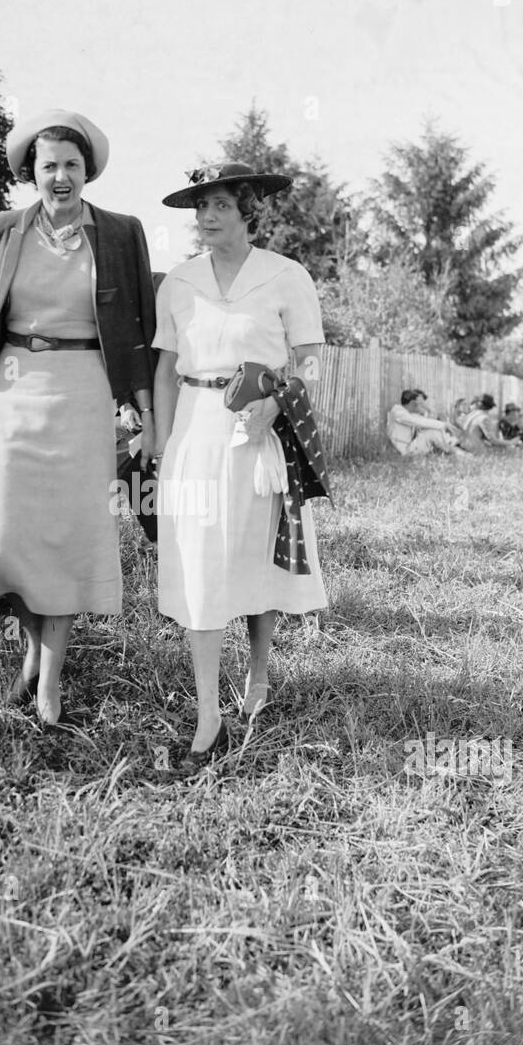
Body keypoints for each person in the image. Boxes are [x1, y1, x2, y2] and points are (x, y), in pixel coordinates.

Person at [0, 109, 156, 726]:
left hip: (84, 395)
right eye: (48, 167)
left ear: (87, 171)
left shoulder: (119, 233)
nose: (60, 177)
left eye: (71, 165)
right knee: (16, 535)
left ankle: (50, 682)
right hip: (13, 393)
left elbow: (139, 325)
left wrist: (144, 413)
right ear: (29, 173)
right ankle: (30, 655)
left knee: (66, 535)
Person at [152, 160, 329, 766]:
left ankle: (257, 675)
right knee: (199, 563)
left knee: (254, 551)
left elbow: (308, 357)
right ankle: (208, 712)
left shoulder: (286, 276)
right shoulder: (178, 282)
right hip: (196, 432)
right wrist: (162, 443)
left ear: (248, 211)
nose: (206, 217)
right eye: (200, 208)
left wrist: (276, 407)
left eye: (221, 205)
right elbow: (163, 369)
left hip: (258, 433)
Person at [387, 389, 464, 457]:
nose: (420, 405)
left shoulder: (408, 414)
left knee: (433, 430)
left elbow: (427, 421)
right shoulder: (398, 412)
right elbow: (418, 422)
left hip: (410, 447)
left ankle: (456, 446)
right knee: (432, 433)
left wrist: (427, 409)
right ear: (413, 403)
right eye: (419, 403)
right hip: (405, 451)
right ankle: (456, 452)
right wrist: (444, 424)